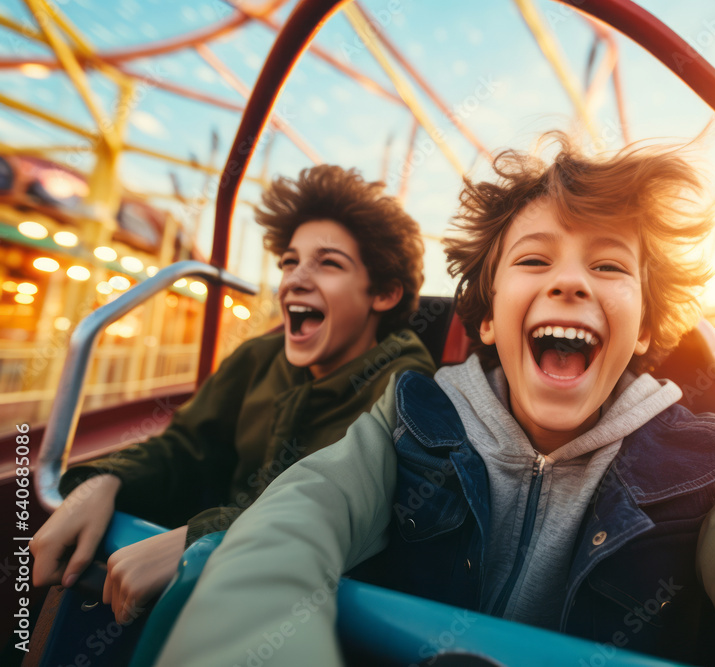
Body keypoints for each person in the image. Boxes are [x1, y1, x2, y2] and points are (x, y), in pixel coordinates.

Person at [154, 136, 715, 666]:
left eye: (607, 265)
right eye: (534, 261)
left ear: (641, 332)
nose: (568, 278)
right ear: (486, 318)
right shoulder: (411, 420)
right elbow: (288, 531)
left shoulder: (704, 474)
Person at [30, 165, 436, 623]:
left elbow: (333, 515)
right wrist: (107, 480)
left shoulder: (406, 392)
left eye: (328, 263)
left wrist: (203, 541)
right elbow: (188, 447)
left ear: (382, 293)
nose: (295, 279)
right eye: (289, 261)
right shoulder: (260, 355)